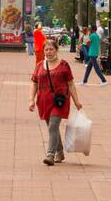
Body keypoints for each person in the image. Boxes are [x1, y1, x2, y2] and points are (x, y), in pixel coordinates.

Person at [29, 38, 83, 166]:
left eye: (51, 49)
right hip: (43, 101)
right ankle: (60, 152)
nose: (48, 52)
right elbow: (34, 83)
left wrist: (76, 101)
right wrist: (31, 100)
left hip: (59, 101)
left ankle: (50, 155)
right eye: (46, 49)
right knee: (52, 127)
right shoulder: (39, 65)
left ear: (56, 50)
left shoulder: (64, 65)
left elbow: (70, 84)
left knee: (53, 126)